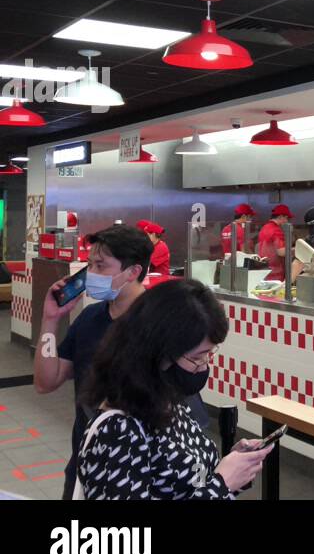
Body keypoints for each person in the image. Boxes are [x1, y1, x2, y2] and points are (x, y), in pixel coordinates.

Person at [33, 225, 208, 499]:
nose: (90, 273)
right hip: (88, 458)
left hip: (151, 469)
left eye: (100, 266)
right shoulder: (90, 317)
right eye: (89, 264)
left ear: (133, 272)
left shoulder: (163, 323)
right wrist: (50, 320)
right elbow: (46, 382)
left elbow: (191, 387)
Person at [76, 279, 273, 499]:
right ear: (157, 353)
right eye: (197, 357)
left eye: (210, 354)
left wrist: (232, 468)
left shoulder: (169, 402)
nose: (205, 366)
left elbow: (189, 480)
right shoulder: (117, 431)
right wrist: (222, 485)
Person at [257, 204, 294, 281]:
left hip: (264, 271)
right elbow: (281, 252)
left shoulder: (264, 227)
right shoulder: (277, 230)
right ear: (280, 216)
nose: (287, 221)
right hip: (276, 273)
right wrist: (297, 250)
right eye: (286, 218)